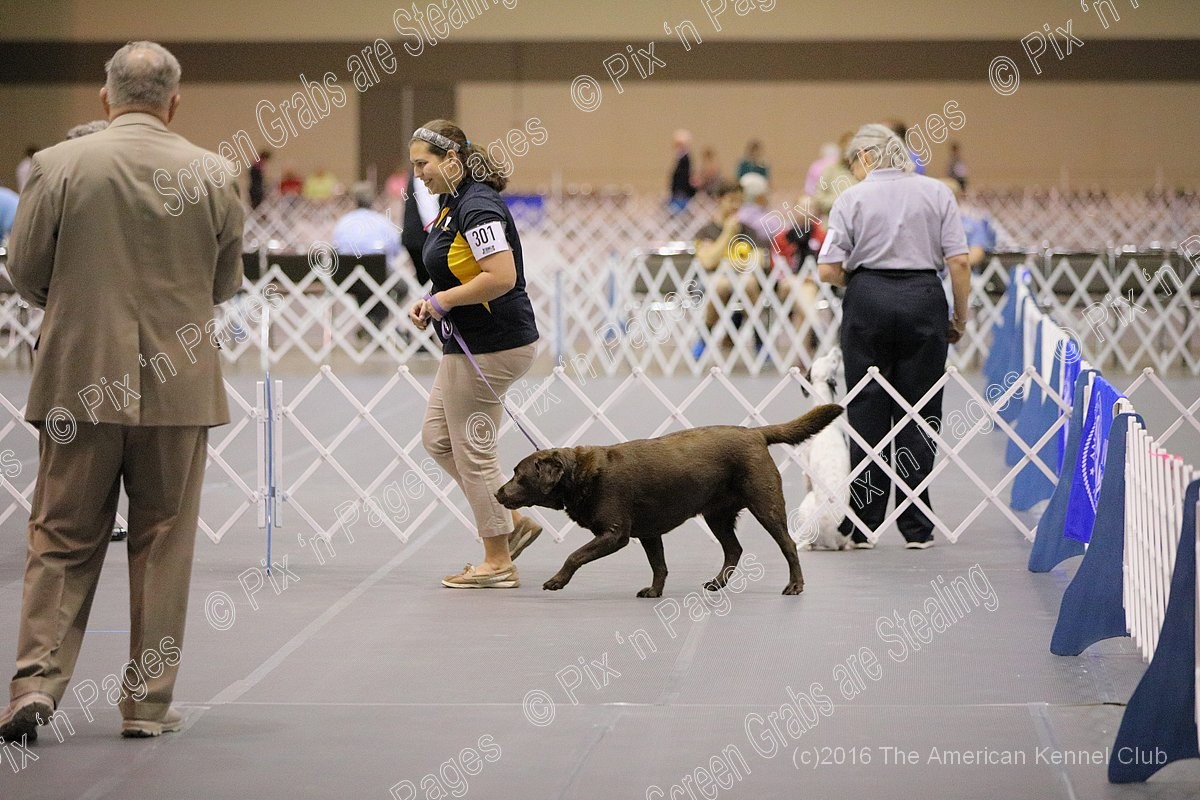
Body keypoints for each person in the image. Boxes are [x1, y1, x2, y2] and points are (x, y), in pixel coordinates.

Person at [0, 41, 243, 744]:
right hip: (179, 385)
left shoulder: (56, 165)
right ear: (175, 101)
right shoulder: (216, 172)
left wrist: (76, 306)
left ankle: (35, 684)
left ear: (105, 97)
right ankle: (147, 704)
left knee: (60, 534)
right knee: (164, 541)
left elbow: (25, 272)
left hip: (80, 379)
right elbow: (223, 283)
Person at [817, 123, 970, 549]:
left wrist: (863, 283)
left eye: (853, 162)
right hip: (924, 299)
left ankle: (863, 524)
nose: (853, 170)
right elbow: (959, 263)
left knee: (867, 407)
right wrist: (960, 317)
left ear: (866, 157)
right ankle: (917, 526)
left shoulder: (850, 199)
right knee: (920, 411)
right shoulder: (938, 192)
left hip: (868, 301)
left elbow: (827, 270)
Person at [406, 119, 541, 589]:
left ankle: (498, 561)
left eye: (422, 163)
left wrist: (443, 301)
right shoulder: (453, 202)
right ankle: (512, 522)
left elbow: (501, 276)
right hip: (466, 341)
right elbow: (457, 269)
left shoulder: (478, 205)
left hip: (493, 343)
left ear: (452, 159)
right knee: (437, 439)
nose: (417, 174)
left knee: (473, 452)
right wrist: (433, 300)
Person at [332, 181, 404, 331]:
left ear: (354, 200)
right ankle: (379, 321)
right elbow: (395, 249)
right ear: (372, 200)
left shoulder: (343, 222)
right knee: (400, 287)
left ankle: (371, 322)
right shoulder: (382, 222)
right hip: (379, 276)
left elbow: (336, 249)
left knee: (366, 288)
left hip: (346, 278)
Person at [667, 129, 696, 212]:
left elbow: (683, 177)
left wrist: (679, 191)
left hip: (681, 193)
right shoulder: (680, 158)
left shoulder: (685, 159)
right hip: (678, 192)